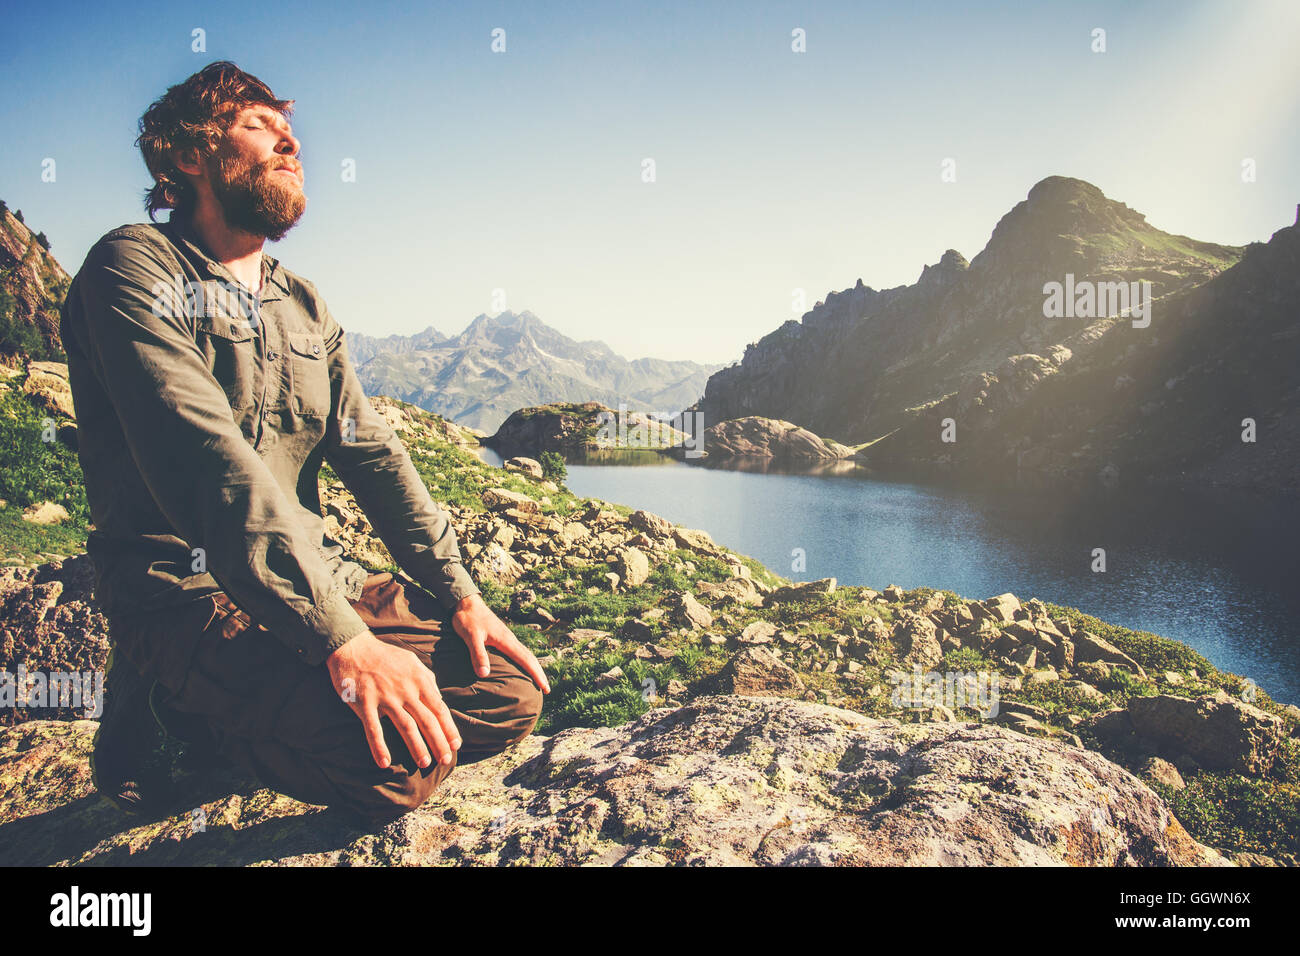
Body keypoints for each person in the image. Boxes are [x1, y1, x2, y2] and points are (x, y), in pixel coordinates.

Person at [59, 61, 548, 825]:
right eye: (258, 126)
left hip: (319, 577)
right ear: (189, 156)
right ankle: (168, 721)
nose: (290, 140)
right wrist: (343, 644)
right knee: (394, 773)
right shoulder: (133, 268)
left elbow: (375, 455)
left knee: (511, 693)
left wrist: (460, 595)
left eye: (289, 131)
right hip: (189, 593)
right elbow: (207, 464)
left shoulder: (301, 302)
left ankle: (245, 709)